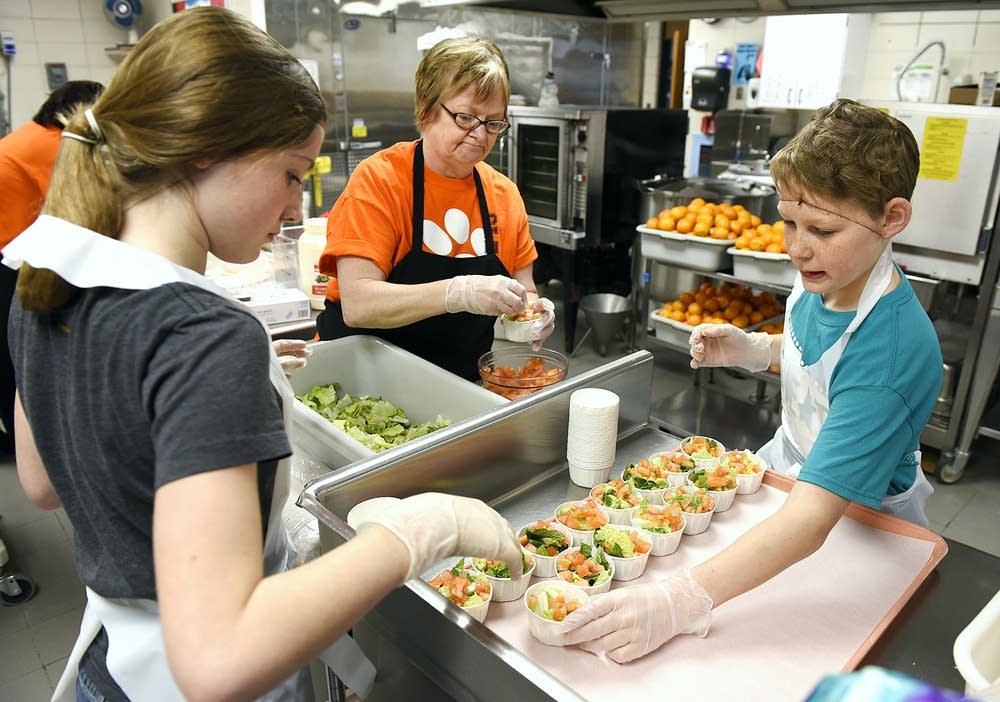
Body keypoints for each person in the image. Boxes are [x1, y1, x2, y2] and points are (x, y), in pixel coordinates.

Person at [4, 8, 521, 701]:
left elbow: (42, 482)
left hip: (111, 672)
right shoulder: (205, 335)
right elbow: (220, 659)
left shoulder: (53, 269)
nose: (293, 209)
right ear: (207, 151)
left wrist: (201, 406)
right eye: (288, 174)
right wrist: (416, 533)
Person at [556, 99, 943, 663]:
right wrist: (760, 350)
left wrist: (679, 600)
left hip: (864, 525)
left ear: (892, 218)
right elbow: (822, 363)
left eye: (821, 228)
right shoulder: (833, 272)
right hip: (796, 478)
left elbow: (812, 522)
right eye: (788, 221)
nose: (796, 246)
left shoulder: (890, 352)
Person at [315, 36, 555, 381]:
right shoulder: (380, 180)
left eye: (493, 123)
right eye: (465, 117)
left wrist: (534, 314)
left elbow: (525, 289)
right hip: (360, 388)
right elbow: (359, 303)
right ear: (426, 107)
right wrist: (459, 293)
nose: (480, 135)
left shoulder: (504, 195)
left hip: (455, 388)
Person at [0, 80, 104, 452]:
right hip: (6, 259)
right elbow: (77, 208)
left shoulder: (33, 135)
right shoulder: (55, 145)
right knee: (13, 363)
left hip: (11, 249)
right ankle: (30, 447)